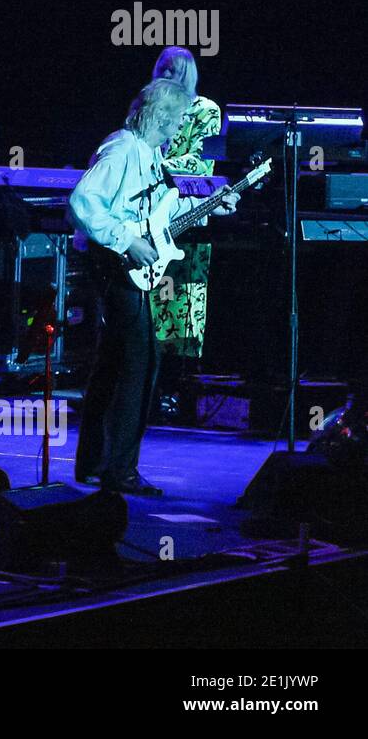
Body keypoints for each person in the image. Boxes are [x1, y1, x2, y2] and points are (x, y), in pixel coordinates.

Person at [68, 79, 237, 496]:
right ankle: (120, 471)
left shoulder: (150, 154)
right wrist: (127, 242)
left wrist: (211, 204)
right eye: (177, 118)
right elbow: (83, 202)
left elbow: (161, 209)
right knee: (140, 365)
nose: (180, 127)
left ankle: (94, 462)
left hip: (122, 264)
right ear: (161, 115)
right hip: (114, 264)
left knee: (112, 363)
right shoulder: (122, 149)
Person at [150, 47, 222, 417]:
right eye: (163, 68)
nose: (167, 74)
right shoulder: (151, 105)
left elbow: (202, 161)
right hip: (148, 217)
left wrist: (154, 163)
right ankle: (150, 389)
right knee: (150, 305)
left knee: (181, 305)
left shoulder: (206, 110)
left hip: (186, 215)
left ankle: (177, 392)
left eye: (174, 70)